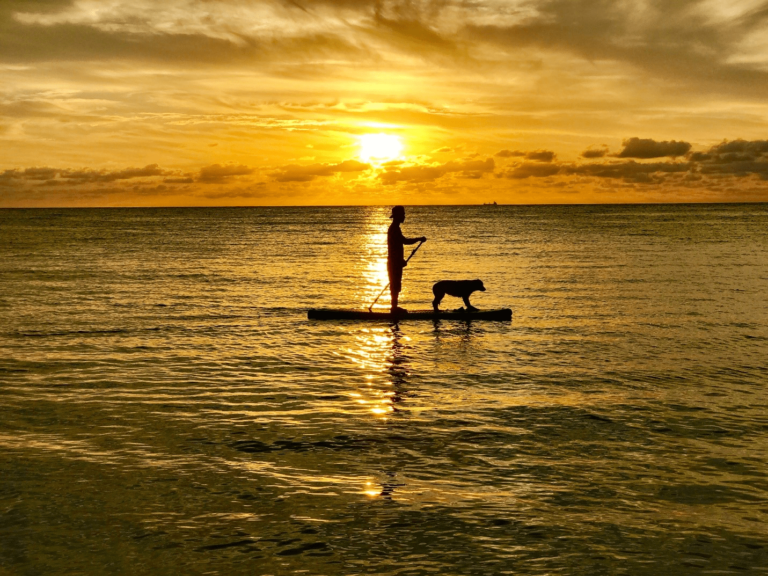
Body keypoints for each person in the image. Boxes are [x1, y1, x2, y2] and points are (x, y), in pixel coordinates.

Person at [387, 205, 426, 313]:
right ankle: (394, 308)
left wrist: (418, 239)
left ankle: (394, 307)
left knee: (396, 284)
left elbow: (402, 241)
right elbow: (403, 242)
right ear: (397, 216)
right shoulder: (394, 229)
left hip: (395, 262)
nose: (404, 217)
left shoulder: (396, 228)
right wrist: (418, 239)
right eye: (403, 215)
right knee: (395, 284)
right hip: (394, 262)